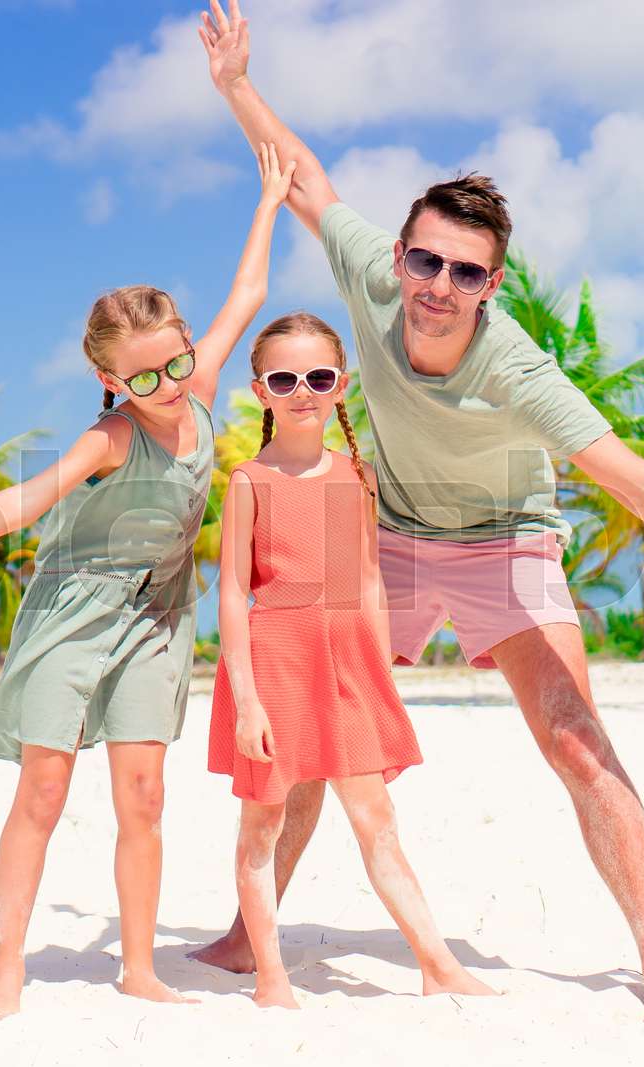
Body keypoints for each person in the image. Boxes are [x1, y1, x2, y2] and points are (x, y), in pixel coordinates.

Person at [188, 2, 644, 1020]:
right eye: (426, 261)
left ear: (492, 282)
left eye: (465, 272)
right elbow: (302, 173)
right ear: (397, 256)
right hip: (388, 539)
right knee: (312, 722)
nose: (439, 285)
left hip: (507, 547)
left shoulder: (516, 367)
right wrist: (235, 86)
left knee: (573, 737)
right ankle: (240, 929)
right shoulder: (370, 278)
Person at [0, 144, 297, 1019]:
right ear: (108, 379)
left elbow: (249, 295)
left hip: (158, 619)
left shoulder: (194, 389)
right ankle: (6, 965)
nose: (164, 385)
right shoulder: (109, 438)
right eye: (141, 375)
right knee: (43, 788)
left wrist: (269, 200)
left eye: (177, 361)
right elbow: (18, 502)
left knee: (145, 794)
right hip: (72, 612)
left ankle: (139, 965)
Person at [209, 311, 499, 1008]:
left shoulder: (356, 478)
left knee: (377, 819)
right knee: (263, 823)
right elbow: (231, 595)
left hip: (345, 669)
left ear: (340, 386)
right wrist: (247, 700)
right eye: (285, 378)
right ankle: (270, 976)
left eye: (318, 376)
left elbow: (368, 580)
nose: (302, 389)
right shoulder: (249, 481)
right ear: (261, 391)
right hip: (274, 665)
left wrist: (377, 673)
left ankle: (438, 963)